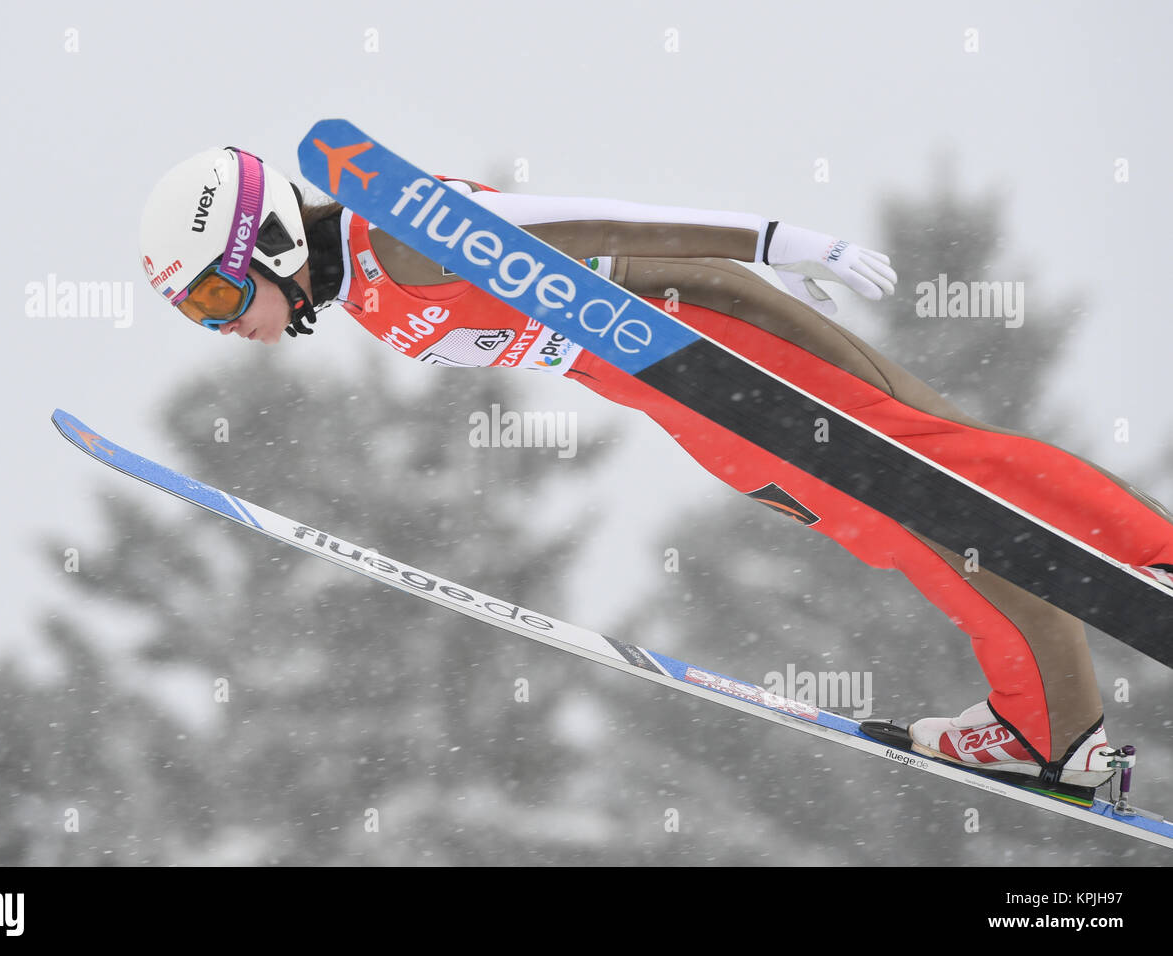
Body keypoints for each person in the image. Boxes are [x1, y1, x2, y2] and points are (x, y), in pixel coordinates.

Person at [139, 145, 1173, 790]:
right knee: (903, 521)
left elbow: (578, 224)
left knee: (932, 468)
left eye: (220, 301)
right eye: (202, 318)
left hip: (704, 331)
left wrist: (769, 238)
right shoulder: (367, 287)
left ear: (265, 242)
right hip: (672, 387)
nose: (227, 329)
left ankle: (1152, 556)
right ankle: (1047, 726)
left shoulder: (396, 242)